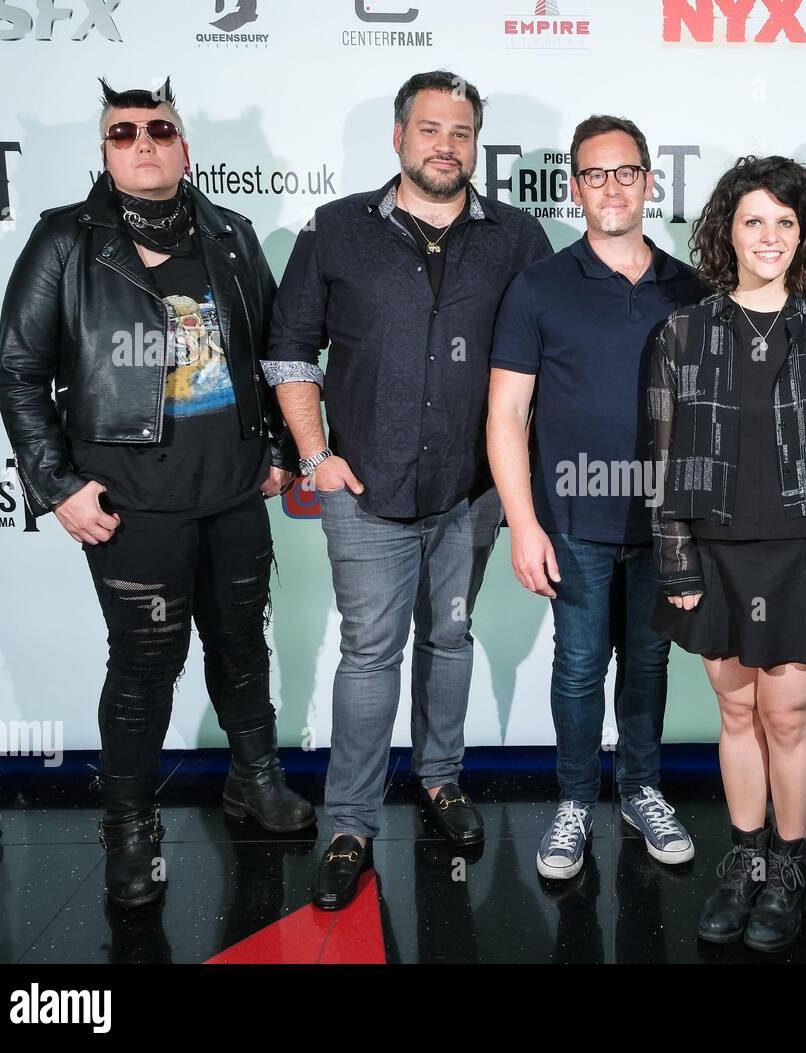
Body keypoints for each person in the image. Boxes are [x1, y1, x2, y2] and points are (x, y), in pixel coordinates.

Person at [0, 77, 311, 909]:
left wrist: (279, 449)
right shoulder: (65, 241)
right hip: (131, 503)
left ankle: (256, 778)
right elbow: (20, 374)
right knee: (142, 670)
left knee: (244, 648)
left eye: (159, 128)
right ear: (103, 150)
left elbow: (280, 356)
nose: (143, 142)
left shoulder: (234, 236)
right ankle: (130, 829)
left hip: (234, 494)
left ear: (184, 146)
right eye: (123, 131)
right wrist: (57, 486)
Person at [265, 70, 552, 911]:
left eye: (461, 132)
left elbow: (540, 362)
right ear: (398, 137)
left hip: (471, 493)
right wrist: (317, 456)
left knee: (451, 642)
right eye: (429, 129)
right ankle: (349, 822)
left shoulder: (517, 237)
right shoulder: (334, 230)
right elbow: (289, 352)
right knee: (369, 655)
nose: (445, 146)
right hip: (365, 490)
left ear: (475, 143)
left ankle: (440, 782)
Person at [648, 156, 806, 951]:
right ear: (728, 232)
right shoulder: (682, 330)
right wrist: (674, 555)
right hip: (713, 549)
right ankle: (744, 858)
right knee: (737, 709)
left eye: (785, 222)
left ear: (804, 233)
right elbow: (663, 454)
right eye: (754, 220)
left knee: (789, 714)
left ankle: (789, 863)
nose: (770, 236)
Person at [489, 116, 707, 881]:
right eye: (594, 174)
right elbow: (508, 413)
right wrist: (522, 522)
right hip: (573, 522)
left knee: (647, 661)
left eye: (625, 172)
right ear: (574, 186)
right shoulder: (539, 286)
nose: (611, 187)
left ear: (650, 181)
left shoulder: (690, 288)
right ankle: (577, 798)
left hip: (665, 526)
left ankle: (641, 788)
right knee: (581, 664)